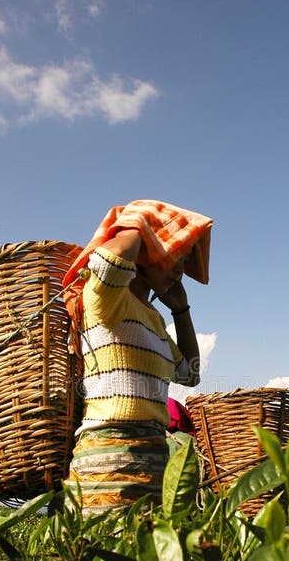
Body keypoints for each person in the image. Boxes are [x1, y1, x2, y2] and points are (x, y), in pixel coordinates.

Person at [62, 199, 213, 516]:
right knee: (109, 557)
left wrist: (181, 310)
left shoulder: (153, 319)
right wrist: (138, 221)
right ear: (147, 249)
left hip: (155, 458)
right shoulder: (108, 300)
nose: (181, 270)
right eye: (175, 256)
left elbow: (190, 372)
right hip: (110, 457)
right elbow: (110, 261)